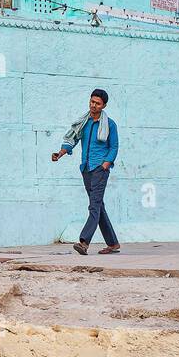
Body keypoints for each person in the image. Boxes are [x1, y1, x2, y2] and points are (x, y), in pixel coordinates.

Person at [51, 88, 120, 255]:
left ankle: (84, 242)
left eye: (98, 103)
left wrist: (105, 164)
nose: (93, 105)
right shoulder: (84, 122)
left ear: (104, 106)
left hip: (99, 169)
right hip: (86, 169)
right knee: (99, 206)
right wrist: (61, 153)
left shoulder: (110, 125)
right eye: (92, 101)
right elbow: (73, 139)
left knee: (94, 206)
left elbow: (114, 147)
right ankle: (113, 243)